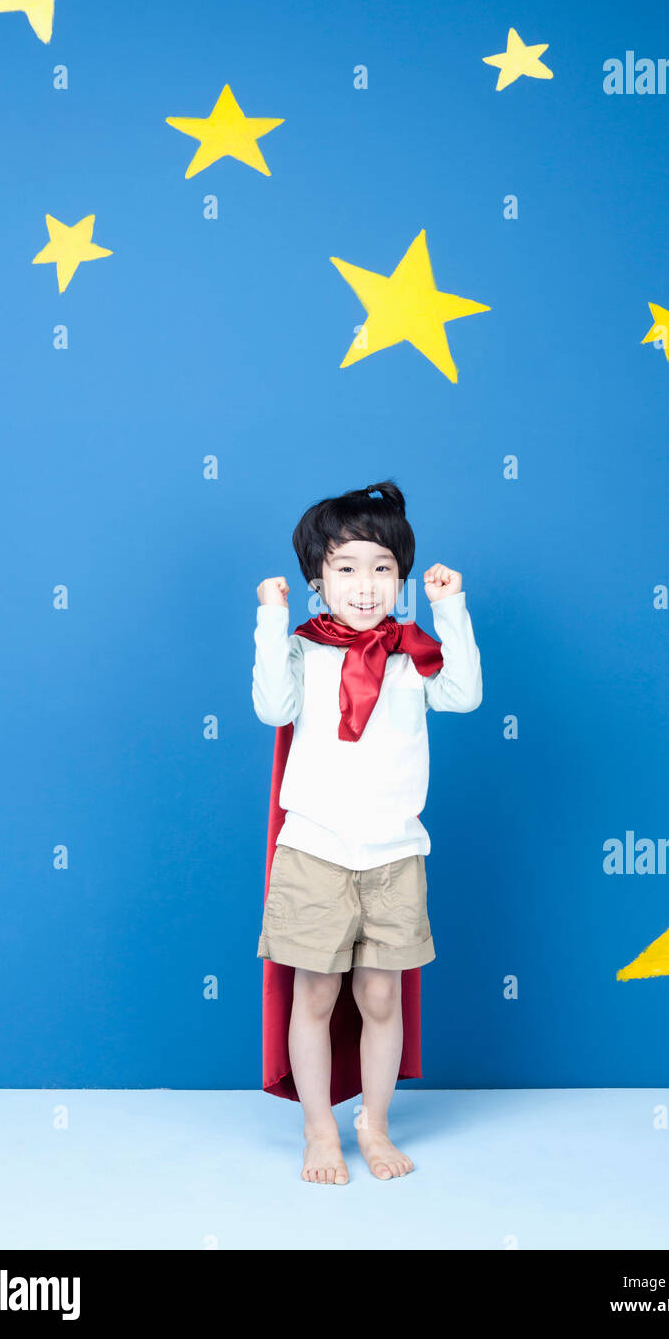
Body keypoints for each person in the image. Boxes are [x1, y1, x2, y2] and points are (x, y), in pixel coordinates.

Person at [252, 479, 482, 1184]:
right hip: (315, 850)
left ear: (402, 580)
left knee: (382, 996)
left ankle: (373, 1122)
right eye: (346, 567)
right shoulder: (303, 650)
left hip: (394, 853)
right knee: (314, 996)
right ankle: (319, 1129)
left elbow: (465, 695)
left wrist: (451, 609)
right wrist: (268, 622)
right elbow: (271, 708)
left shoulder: (413, 654)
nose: (364, 584)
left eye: (383, 568)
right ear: (317, 578)